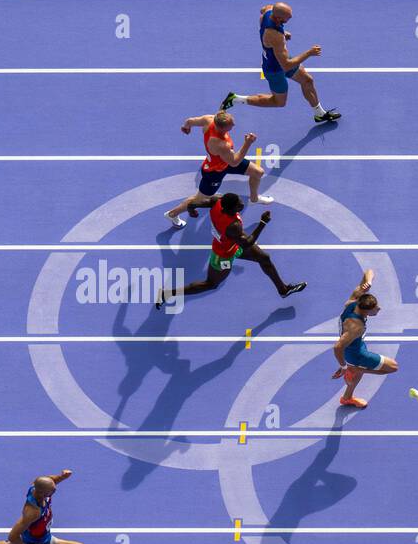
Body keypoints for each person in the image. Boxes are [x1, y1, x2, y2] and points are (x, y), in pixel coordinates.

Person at [156, 193, 305, 307]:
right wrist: (263, 222)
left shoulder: (217, 202)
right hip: (223, 254)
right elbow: (247, 243)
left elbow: (198, 202)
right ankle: (167, 294)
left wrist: (191, 208)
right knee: (210, 284)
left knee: (264, 258)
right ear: (230, 209)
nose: (242, 205)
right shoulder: (233, 225)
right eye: (239, 205)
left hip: (232, 244)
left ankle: (283, 290)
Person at [220, 2, 341, 123]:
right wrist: (309, 53)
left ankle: (319, 114)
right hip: (274, 70)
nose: (289, 19)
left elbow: (262, 9)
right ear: (278, 18)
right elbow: (286, 65)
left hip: (280, 58)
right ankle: (236, 99)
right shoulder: (273, 35)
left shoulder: (269, 11)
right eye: (287, 19)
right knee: (279, 102)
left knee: (307, 80)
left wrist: (283, 32)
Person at [164, 111, 272, 228]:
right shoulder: (220, 144)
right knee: (200, 198)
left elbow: (190, 121)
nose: (234, 125)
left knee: (258, 172)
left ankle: (254, 199)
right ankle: (172, 214)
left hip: (225, 160)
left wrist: (186, 126)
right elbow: (234, 162)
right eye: (231, 124)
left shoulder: (209, 119)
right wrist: (247, 143)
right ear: (222, 128)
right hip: (214, 172)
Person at [331, 269, 398, 408]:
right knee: (392, 367)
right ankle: (355, 369)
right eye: (375, 309)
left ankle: (347, 398)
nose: (379, 309)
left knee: (356, 375)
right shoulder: (356, 327)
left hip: (357, 344)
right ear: (366, 311)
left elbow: (369, 271)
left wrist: (368, 282)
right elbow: (338, 347)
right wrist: (344, 366)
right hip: (355, 354)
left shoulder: (354, 300)